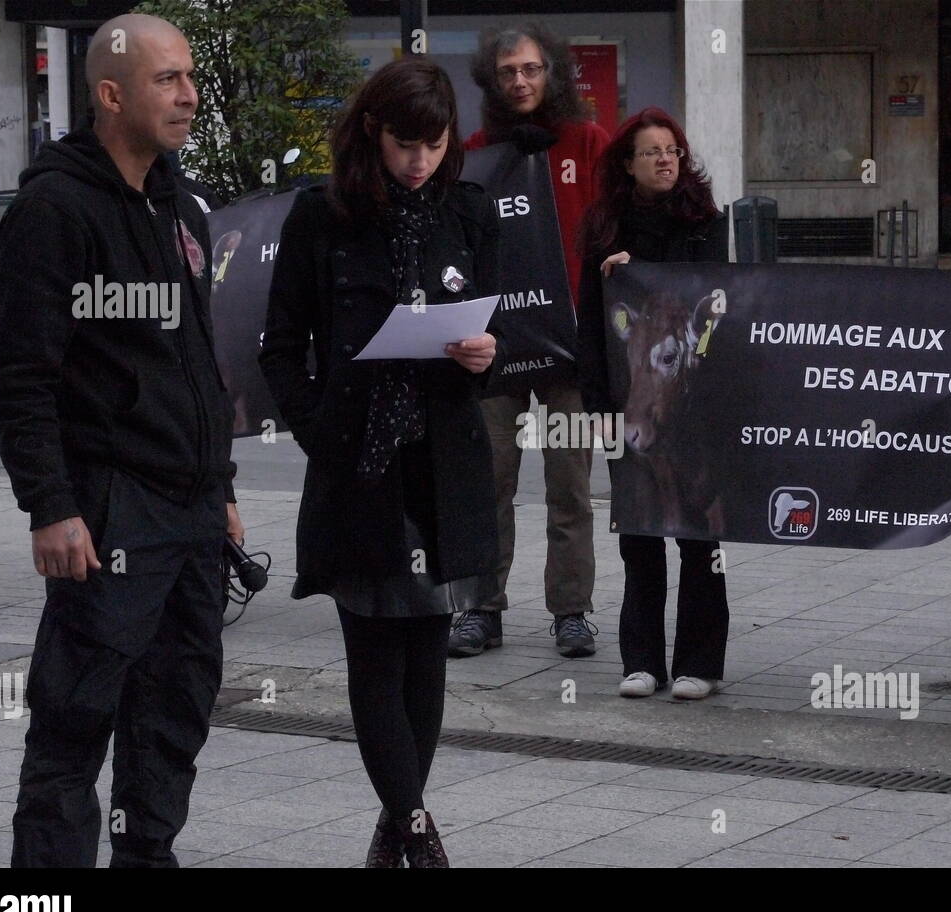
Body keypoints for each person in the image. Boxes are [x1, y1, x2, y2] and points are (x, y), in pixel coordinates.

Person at [0, 13, 243, 867]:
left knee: (174, 711)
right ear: (109, 93)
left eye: (191, 77)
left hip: (193, 509)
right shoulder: (53, 209)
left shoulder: (181, 204)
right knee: (75, 716)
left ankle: (147, 855)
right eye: (168, 79)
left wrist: (225, 488)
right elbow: (21, 379)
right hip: (109, 510)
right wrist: (51, 508)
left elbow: (199, 358)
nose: (190, 95)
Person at [259, 58, 503, 868]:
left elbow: (504, 345)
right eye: (405, 144)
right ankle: (419, 832)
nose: (419, 161)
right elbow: (281, 347)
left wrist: (483, 357)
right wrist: (318, 432)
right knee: (374, 647)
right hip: (359, 463)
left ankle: (398, 821)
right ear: (373, 131)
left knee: (428, 648)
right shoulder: (320, 218)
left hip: (444, 463)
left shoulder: (465, 214)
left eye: (433, 144)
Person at [450, 23, 610, 658]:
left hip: (569, 350)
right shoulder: (475, 152)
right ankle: (480, 609)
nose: (519, 80)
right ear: (492, 81)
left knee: (569, 485)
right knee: (488, 479)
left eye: (531, 69)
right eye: (508, 72)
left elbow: (611, 232)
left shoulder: (589, 142)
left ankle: (571, 610)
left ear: (554, 73)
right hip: (495, 348)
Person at [576, 108, 730, 701]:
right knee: (638, 528)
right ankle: (641, 659)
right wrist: (597, 406)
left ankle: (700, 662)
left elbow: (715, 292)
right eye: (651, 151)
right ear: (628, 164)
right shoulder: (603, 227)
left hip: (691, 408)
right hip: (627, 403)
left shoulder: (705, 220)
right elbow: (591, 325)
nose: (666, 160)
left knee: (699, 534)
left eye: (672, 150)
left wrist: (642, 275)